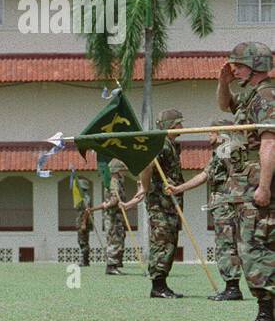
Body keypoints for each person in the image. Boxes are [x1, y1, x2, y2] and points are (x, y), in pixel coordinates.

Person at [216, 42, 275, 321]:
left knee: (255, 250)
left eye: (238, 65)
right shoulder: (251, 95)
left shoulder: (265, 96)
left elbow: (269, 143)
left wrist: (263, 187)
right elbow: (224, 105)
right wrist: (223, 81)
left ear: (254, 66)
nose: (233, 68)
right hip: (245, 185)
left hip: (256, 186)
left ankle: (266, 319)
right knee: (254, 248)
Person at [167, 116, 243, 301]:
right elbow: (205, 175)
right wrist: (179, 189)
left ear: (220, 133)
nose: (208, 135)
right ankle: (230, 286)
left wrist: (234, 198)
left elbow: (235, 174)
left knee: (227, 245)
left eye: (211, 132)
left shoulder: (226, 149)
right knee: (225, 244)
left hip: (227, 204)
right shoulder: (219, 151)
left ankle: (233, 288)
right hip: (221, 204)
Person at [124, 109, 185, 297]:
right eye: (178, 124)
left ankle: (161, 283)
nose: (182, 127)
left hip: (170, 203)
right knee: (162, 241)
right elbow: (147, 164)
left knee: (170, 241)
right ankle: (158, 286)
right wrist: (144, 186)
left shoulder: (172, 145)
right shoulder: (162, 145)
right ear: (169, 126)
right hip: (160, 203)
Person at [99, 159, 133, 274]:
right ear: (117, 171)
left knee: (118, 238)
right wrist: (108, 204)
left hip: (117, 215)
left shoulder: (115, 181)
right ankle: (111, 266)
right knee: (114, 239)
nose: (124, 172)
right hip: (113, 215)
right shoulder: (114, 182)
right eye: (122, 170)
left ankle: (116, 262)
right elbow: (114, 199)